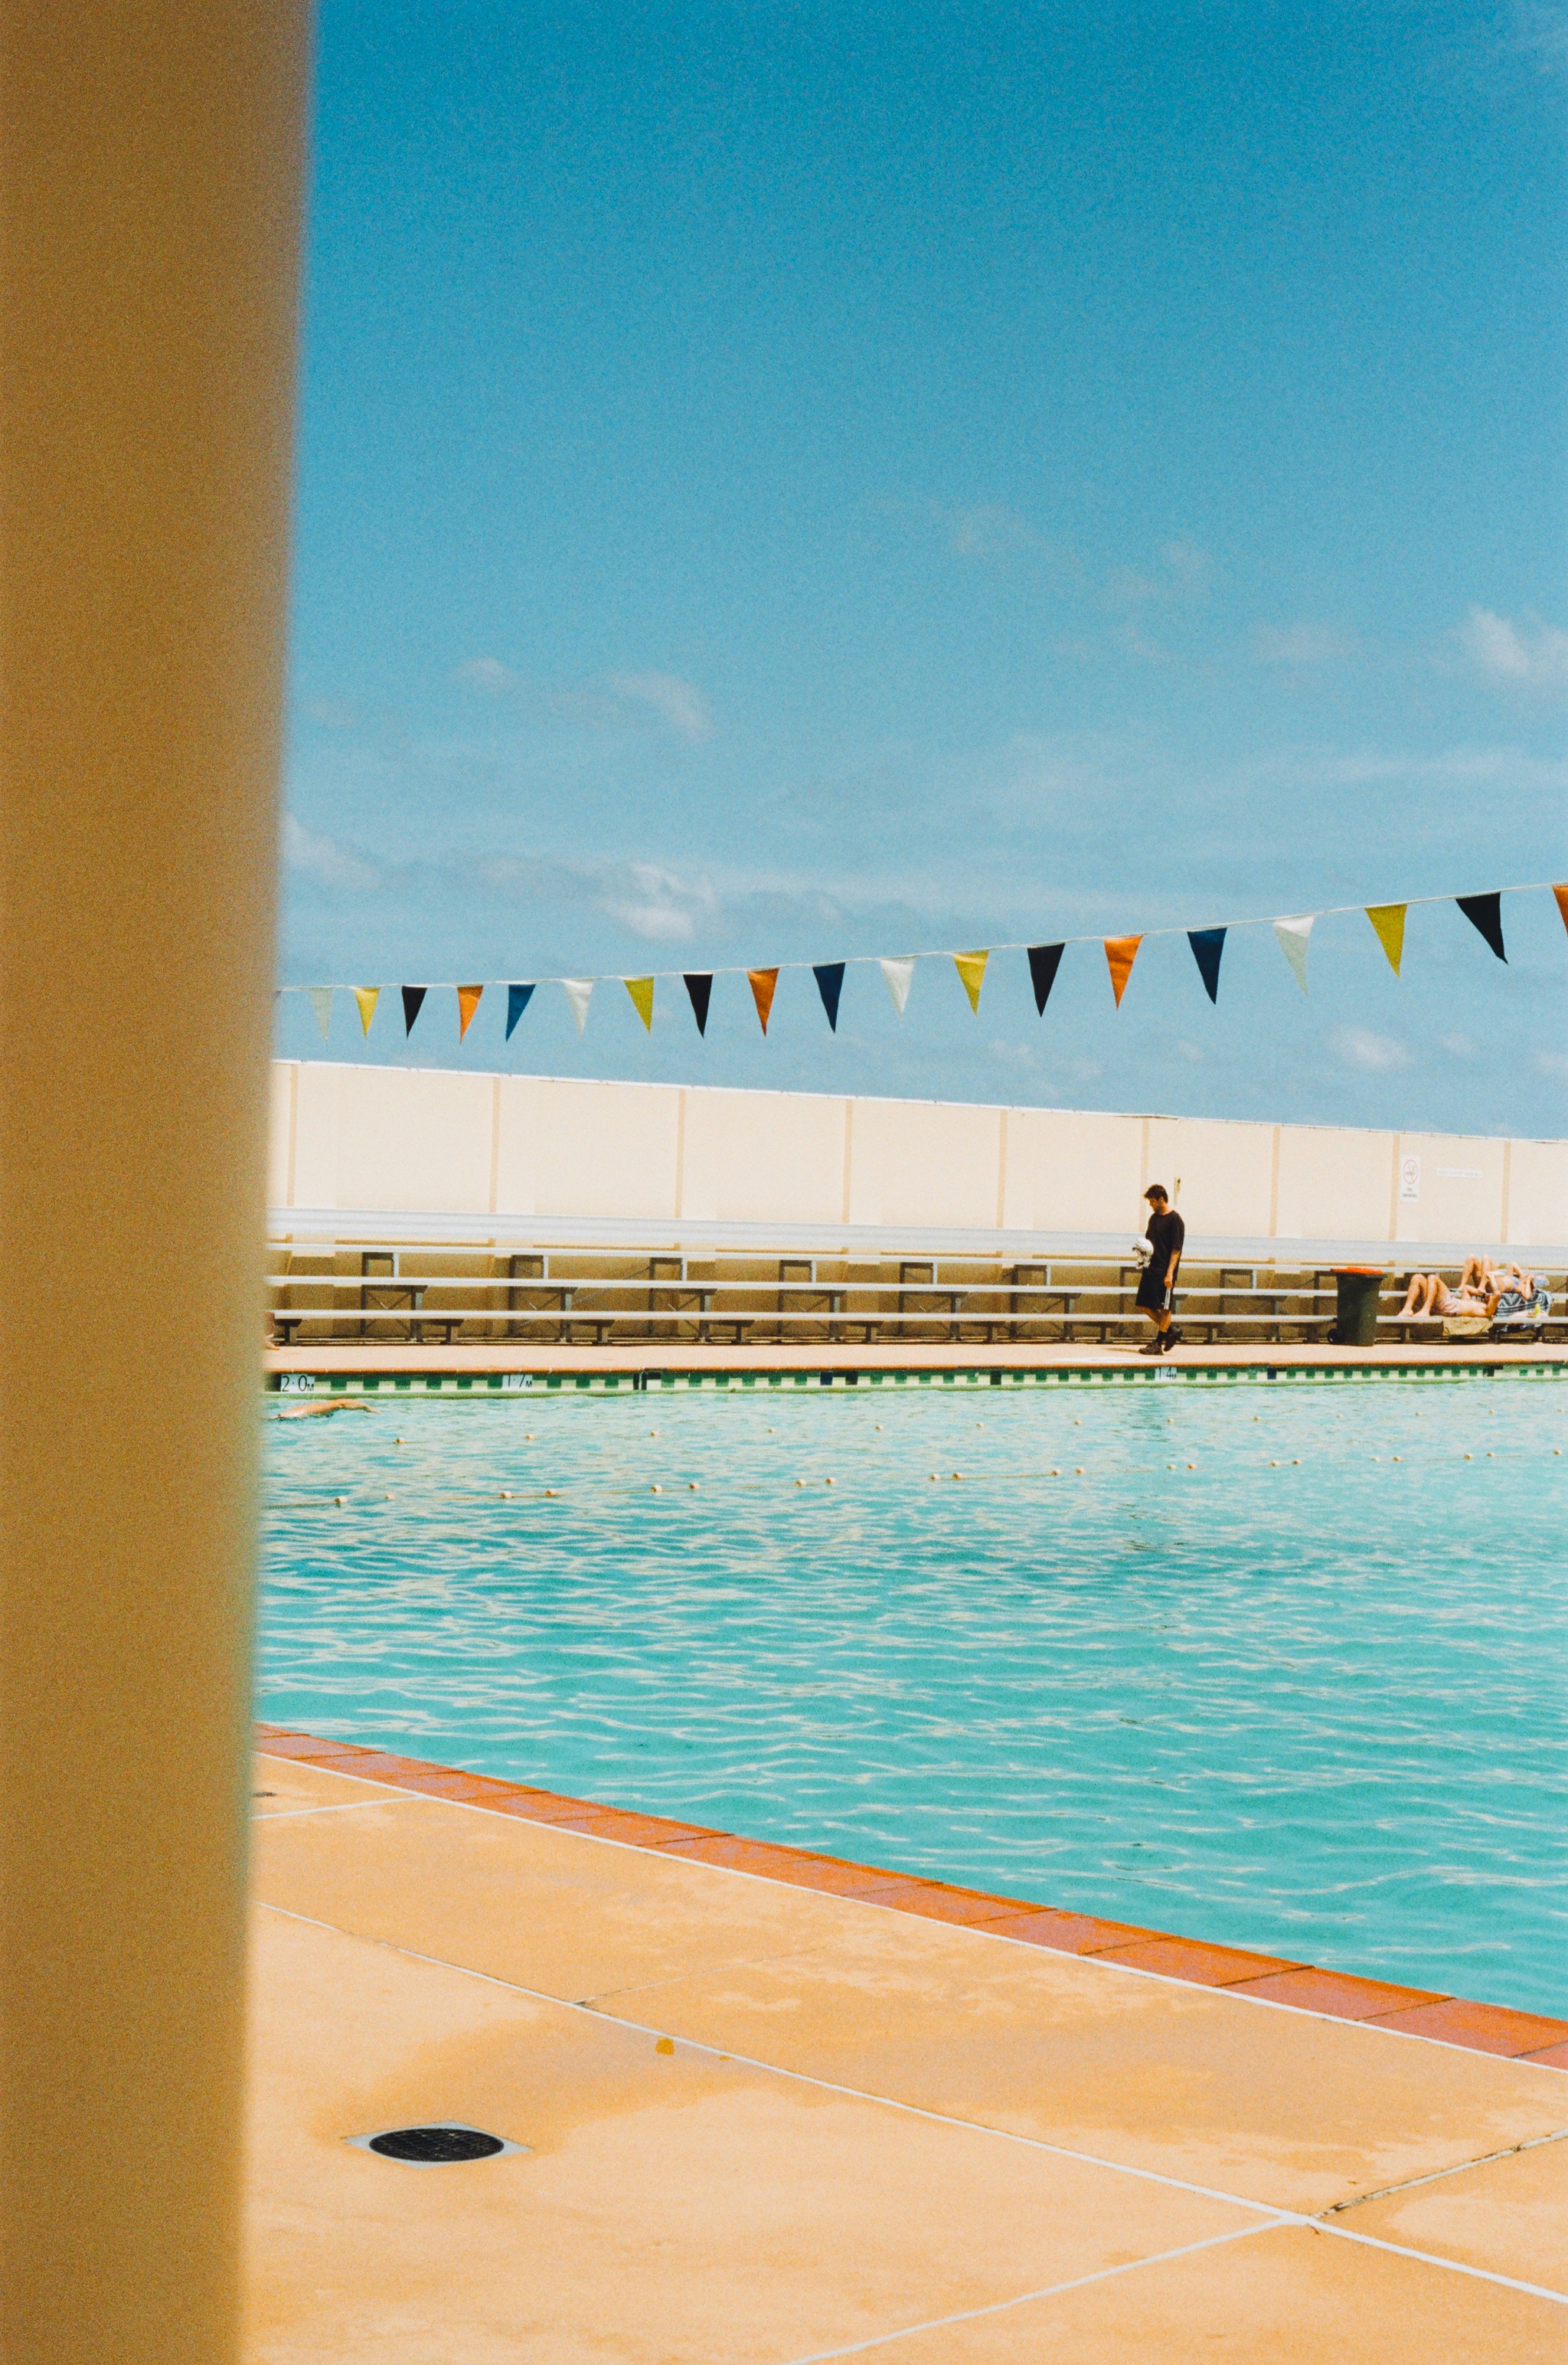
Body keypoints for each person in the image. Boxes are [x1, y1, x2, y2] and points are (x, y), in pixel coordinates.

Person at [1136, 1183, 1184, 1355]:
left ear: (1161, 1199)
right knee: (1142, 1304)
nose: (1151, 1205)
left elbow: (1176, 1249)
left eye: (1152, 1201)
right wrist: (1142, 1255)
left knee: (1165, 1307)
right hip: (1151, 1268)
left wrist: (1170, 1272)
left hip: (1165, 1270)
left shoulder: (1175, 1221)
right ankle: (1171, 1330)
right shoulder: (1154, 1219)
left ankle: (1158, 1343)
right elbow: (1149, 1243)